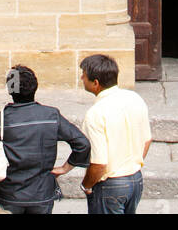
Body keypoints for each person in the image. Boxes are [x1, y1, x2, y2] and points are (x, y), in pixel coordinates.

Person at [0, 65, 90, 215]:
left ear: (10, 91)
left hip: (8, 195)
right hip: (41, 195)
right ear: (35, 87)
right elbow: (82, 144)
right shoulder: (51, 115)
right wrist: (64, 169)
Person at [60, 54, 151, 215]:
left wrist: (86, 185)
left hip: (111, 186)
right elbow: (147, 140)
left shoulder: (96, 113)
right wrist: (131, 165)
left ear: (96, 83)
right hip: (135, 180)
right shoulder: (135, 99)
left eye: (84, 76)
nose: (82, 78)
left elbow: (99, 163)